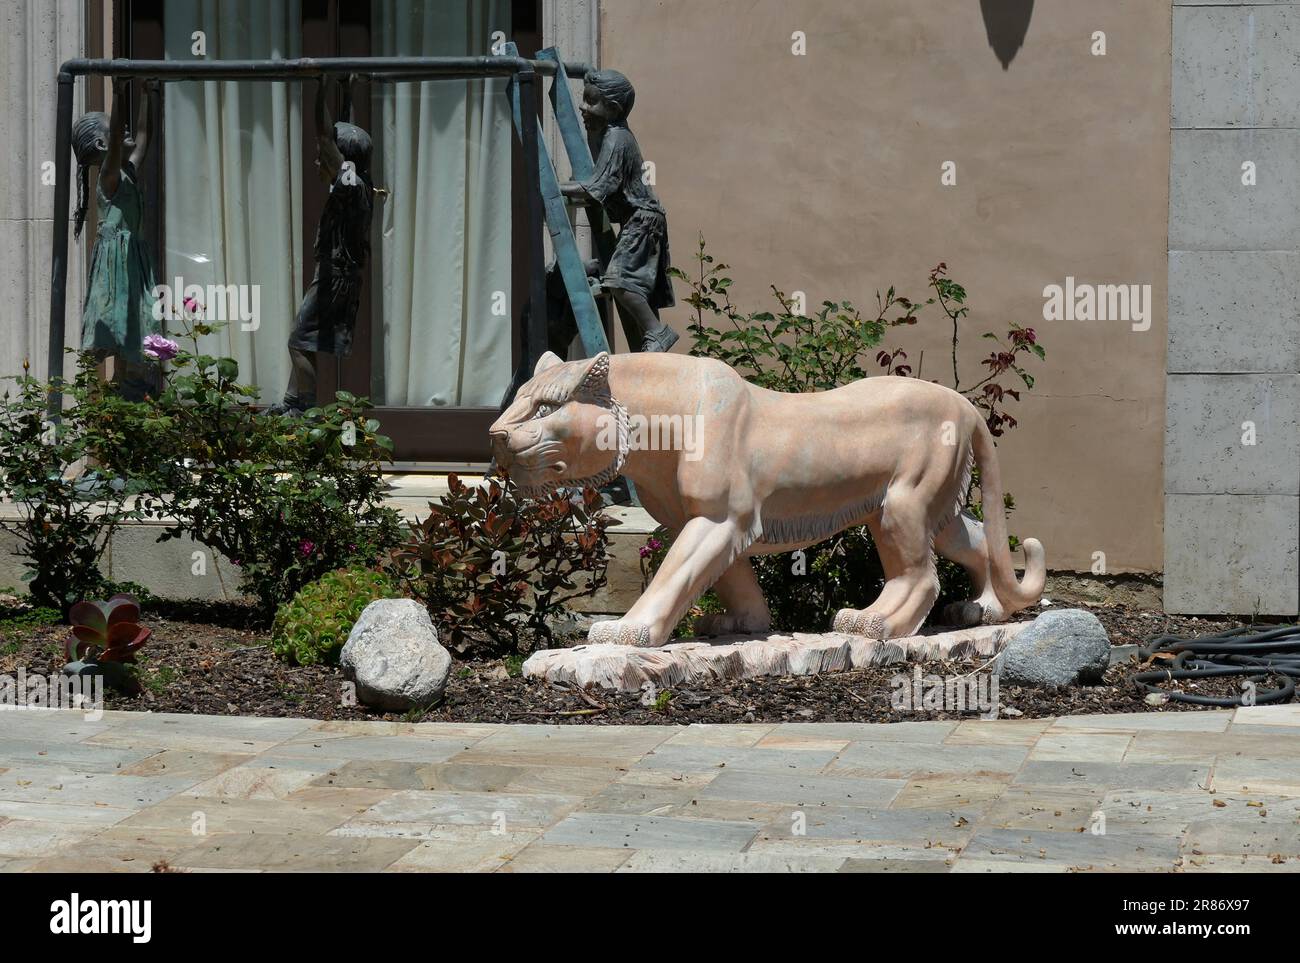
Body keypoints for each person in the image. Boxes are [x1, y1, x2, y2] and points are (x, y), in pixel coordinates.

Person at [270, 76, 375, 416]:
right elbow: (344, 136)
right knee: (304, 339)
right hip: (336, 274)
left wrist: (316, 88)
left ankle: (304, 410)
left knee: (299, 341)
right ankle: (292, 404)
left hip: (336, 277)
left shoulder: (349, 184)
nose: (319, 161)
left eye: (323, 158)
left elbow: (327, 138)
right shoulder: (357, 179)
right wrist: (345, 92)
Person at [560, 69, 678, 352]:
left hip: (642, 219)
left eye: (591, 102)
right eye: (584, 100)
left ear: (612, 109)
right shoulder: (608, 134)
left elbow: (599, 186)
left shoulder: (617, 139)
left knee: (619, 279)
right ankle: (649, 341)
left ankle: (657, 332)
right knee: (638, 286)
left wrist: (556, 189)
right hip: (640, 219)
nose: (582, 107)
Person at [75, 77, 161, 401]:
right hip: (116, 270)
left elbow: (144, 135)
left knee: (136, 335)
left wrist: (148, 93)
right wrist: (118, 92)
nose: (123, 133)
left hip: (134, 265)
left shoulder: (129, 171)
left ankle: (128, 394)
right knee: (123, 327)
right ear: (103, 147)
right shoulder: (109, 177)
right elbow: (118, 138)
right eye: (115, 130)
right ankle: (124, 397)